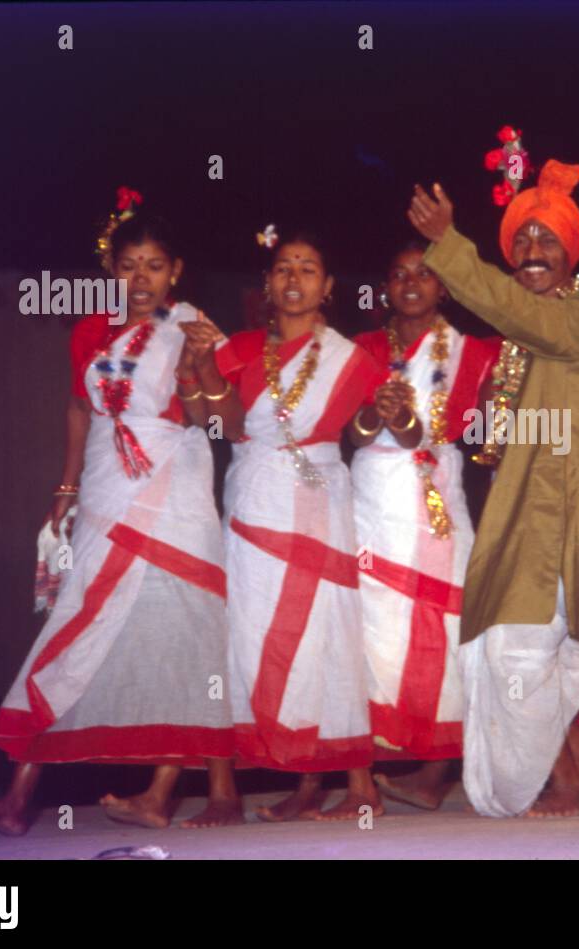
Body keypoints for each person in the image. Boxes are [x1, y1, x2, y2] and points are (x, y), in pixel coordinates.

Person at [0, 201, 240, 834]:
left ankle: (164, 792)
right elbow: (81, 409)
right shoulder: (90, 331)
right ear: (112, 269)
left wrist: (200, 366)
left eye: (156, 267)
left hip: (176, 488)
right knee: (76, 625)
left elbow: (219, 423)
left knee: (187, 635)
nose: (142, 280)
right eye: (130, 266)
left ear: (176, 272)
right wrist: (66, 484)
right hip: (108, 489)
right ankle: (17, 799)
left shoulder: (192, 326)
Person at [407, 160, 579, 818]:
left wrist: (448, 245)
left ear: (572, 257)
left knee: (520, 644)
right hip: (525, 505)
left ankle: (565, 780)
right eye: (523, 242)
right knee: (520, 644)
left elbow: (504, 305)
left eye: (548, 241)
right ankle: (578, 760)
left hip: (562, 510)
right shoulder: (521, 340)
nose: (533, 253)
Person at [206, 229, 384, 821]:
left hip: (317, 499)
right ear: (268, 283)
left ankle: (362, 788)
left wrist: (382, 417)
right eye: (284, 268)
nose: (294, 279)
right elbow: (225, 425)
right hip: (254, 497)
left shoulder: (352, 360)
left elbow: (375, 428)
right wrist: (196, 373)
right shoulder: (239, 348)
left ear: (328, 287)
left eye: (308, 269)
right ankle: (295, 781)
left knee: (328, 631)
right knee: (249, 633)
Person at [348, 241, 496, 810]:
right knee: (373, 626)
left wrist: (407, 423)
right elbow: (354, 433)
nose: (411, 282)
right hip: (373, 495)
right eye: (399, 272)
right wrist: (373, 414)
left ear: (445, 286)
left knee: (450, 626)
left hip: (435, 492)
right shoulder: (360, 348)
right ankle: (363, 773)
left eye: (425, 274)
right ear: (385, 285)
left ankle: (436, 773)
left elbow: (460, 433)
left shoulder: (472, 353)